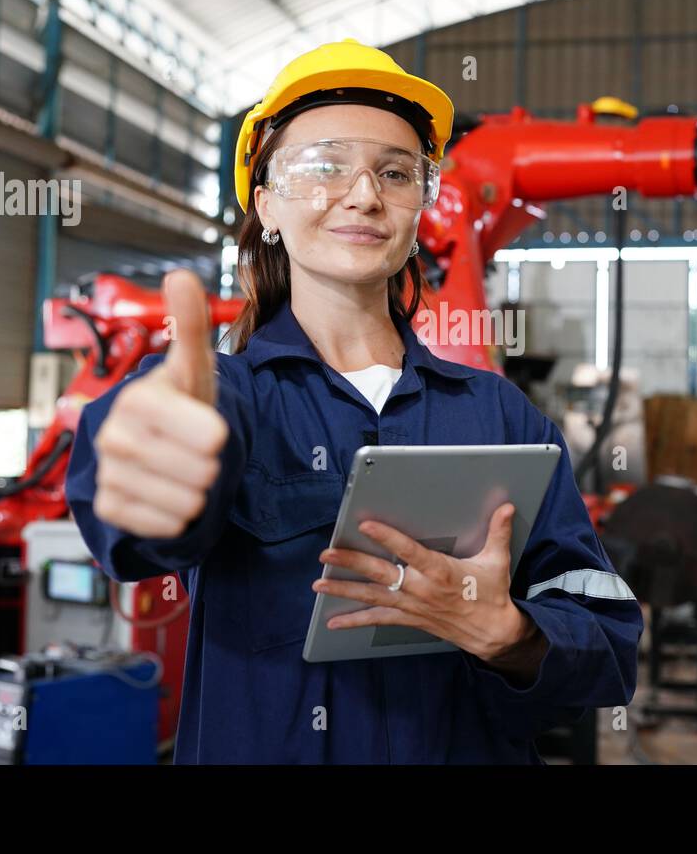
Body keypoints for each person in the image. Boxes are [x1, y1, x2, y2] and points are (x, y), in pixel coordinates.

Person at [65, 38, 642, 763]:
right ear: (266, 201)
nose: (364, 195)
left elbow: (609, 645)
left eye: (395, 173)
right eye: (323, 167)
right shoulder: (227, 398)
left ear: (420, 206)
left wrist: (510, 633)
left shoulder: (500, 417)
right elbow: (135, 518)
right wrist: (147, 464)